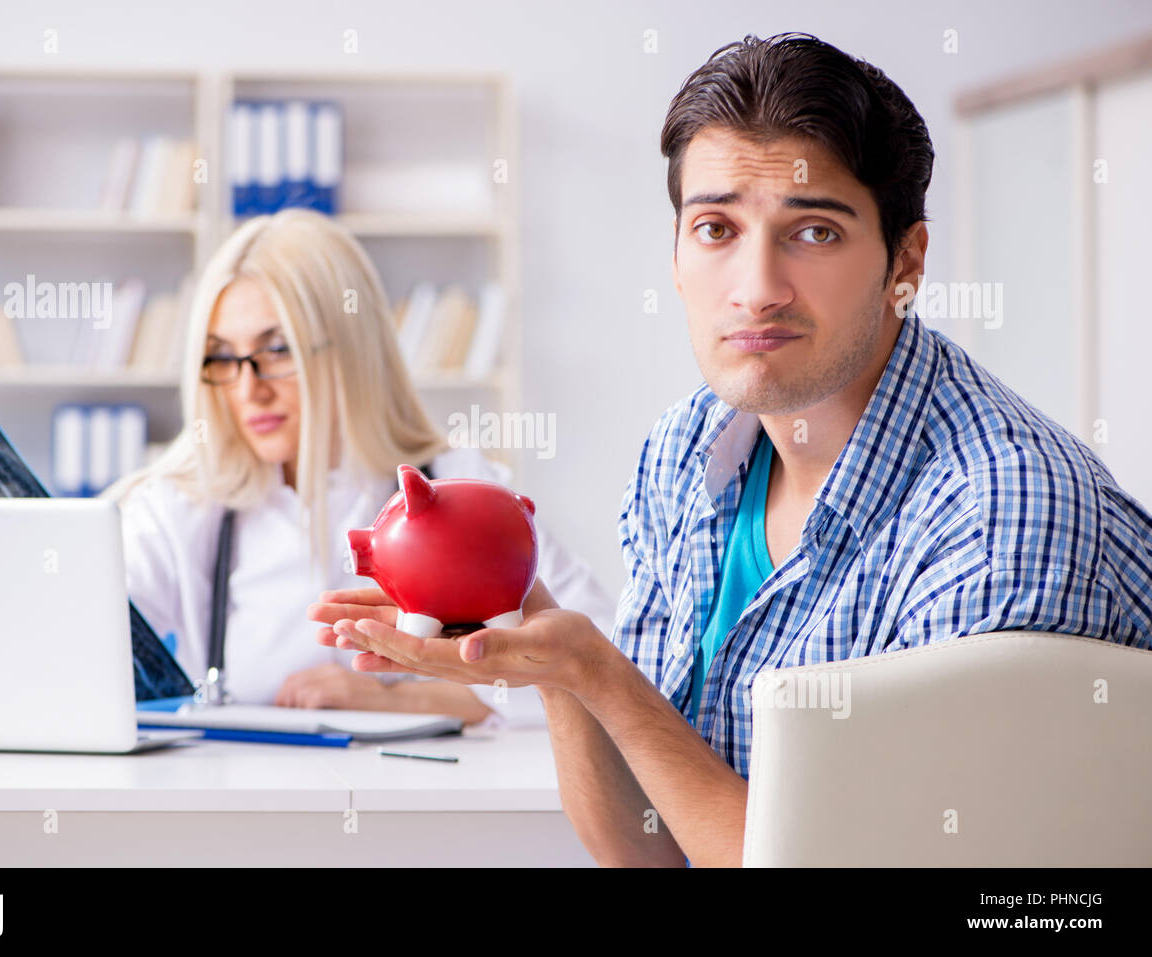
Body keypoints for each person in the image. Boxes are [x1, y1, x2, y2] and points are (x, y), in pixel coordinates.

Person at [309, 32, 1152, 865]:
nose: (756, 289)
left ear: (907, 259)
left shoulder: (1002, 511)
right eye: (715, 228)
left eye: (814, 232)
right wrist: (553, 662)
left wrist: (603, 677)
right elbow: (645, 850)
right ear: (676, 256)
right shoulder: (685, 451)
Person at [103, 208, 614, 727]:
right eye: (223, 358)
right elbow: (86, 639)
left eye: (277, 350)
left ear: (351, 348)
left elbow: (600, 662)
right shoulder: (183, 505)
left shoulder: (459, 485)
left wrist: (402, 699)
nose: (248, 389)